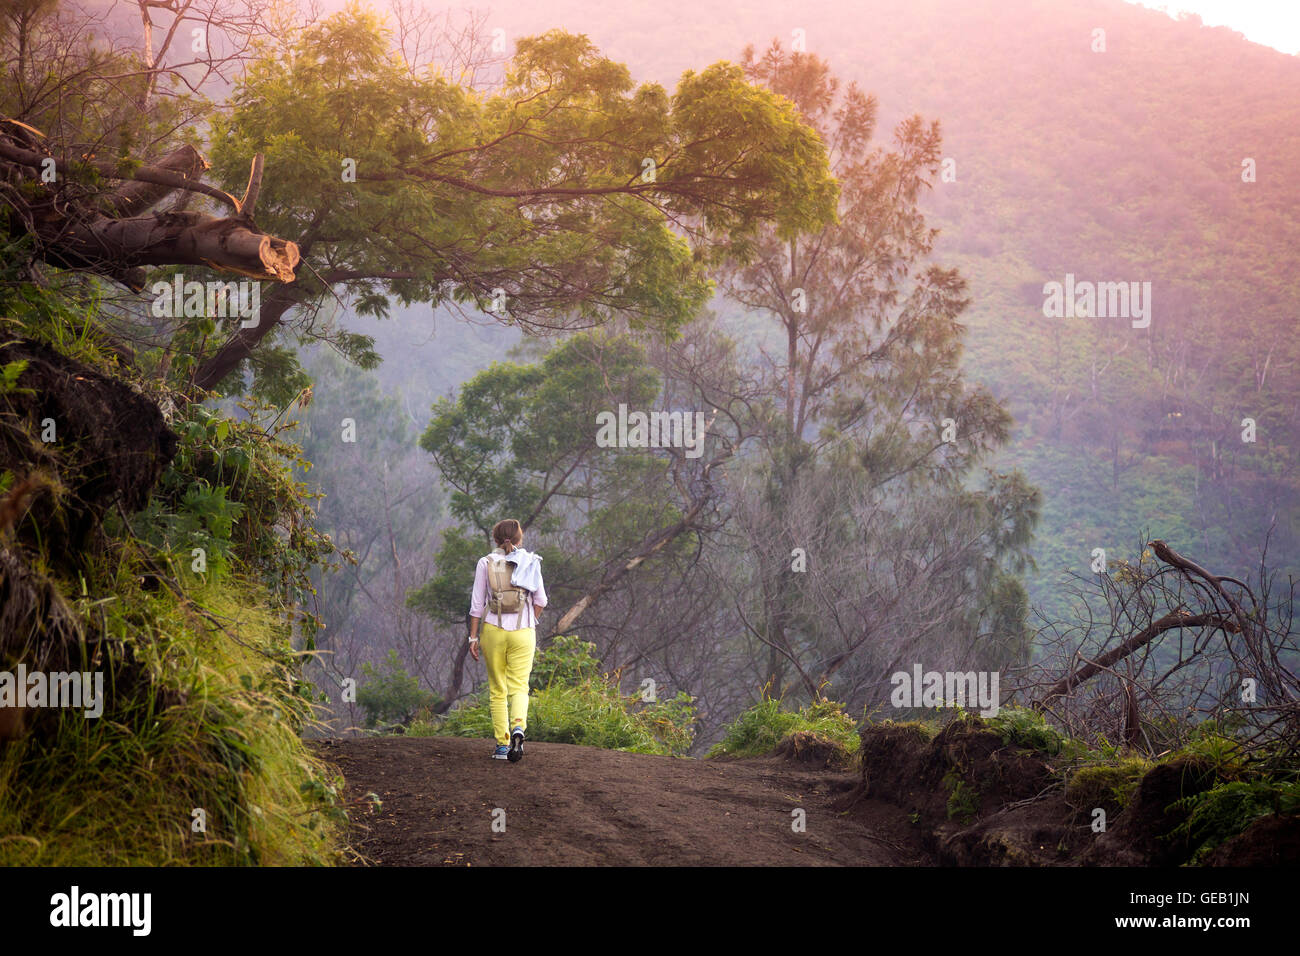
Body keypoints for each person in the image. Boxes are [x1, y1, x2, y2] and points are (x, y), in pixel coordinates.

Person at [468, 519, 547, 762]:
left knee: (497, 689)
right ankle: (518, 728)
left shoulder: (486, 562)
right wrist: (529, 622)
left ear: (495, 539)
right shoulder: (532, 561)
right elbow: (541, 601)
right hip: (524, 631)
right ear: (519, 538)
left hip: (494, 629)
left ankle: (502, 746)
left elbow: (477, 605)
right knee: (520, 686)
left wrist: (473, 637)